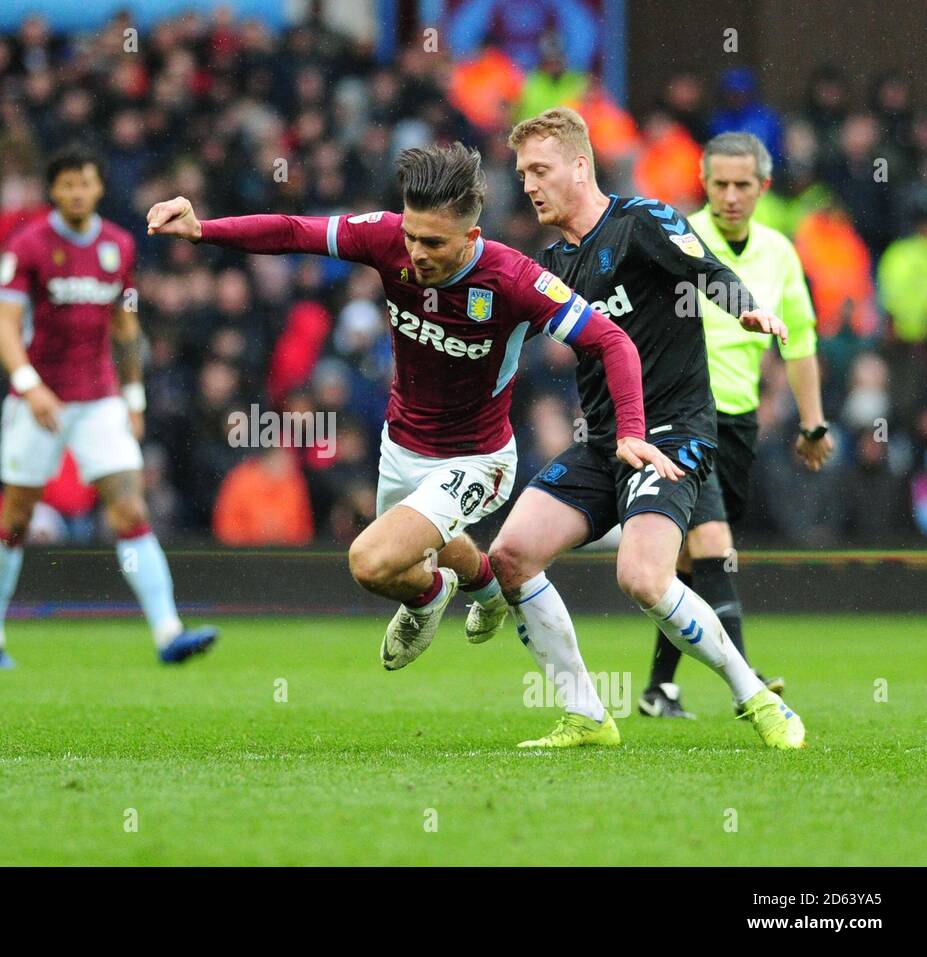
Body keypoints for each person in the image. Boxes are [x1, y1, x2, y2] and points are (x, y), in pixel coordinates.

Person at [147, 141, 662, 670]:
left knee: (371, 563)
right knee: (421, 550)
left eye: (433, 242)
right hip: (401, 446)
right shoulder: (386, 237)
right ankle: (481, 587)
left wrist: (631, 430)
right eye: (412, 236)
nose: (416, 252)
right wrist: (202, 228)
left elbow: (612, 341)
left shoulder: (513, 278)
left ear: (472, 237)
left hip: (475, 458)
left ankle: (429, 597)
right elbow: (293, 231)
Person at [467, 107, 806, 749]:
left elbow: (705, 270)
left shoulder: (642, 222)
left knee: (643, 578)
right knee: (509, 557)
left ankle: (756, 699)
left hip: (673, 431)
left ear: (580, 166)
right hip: (603, 439)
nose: (529, 184)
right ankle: (588, 716)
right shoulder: (556, 260)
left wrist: (749, 311)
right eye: (522, 173)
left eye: (540, 169)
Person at [0, 144, 217, 667]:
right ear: (54, 191)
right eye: (67, 185)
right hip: (37, 399)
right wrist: (29, 384)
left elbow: (126, 325)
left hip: (100, 397)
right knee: (15, 516)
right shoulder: (27, 246)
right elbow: (3, 326)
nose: (77, 192)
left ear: (99, 188)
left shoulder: (119, 247)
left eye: (85, 183)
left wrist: (133, 396)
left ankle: (168, 632)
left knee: (130, 508)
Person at [640, 132, 832, 719]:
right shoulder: (677, 240)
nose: (728, 195)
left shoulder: (778, 252)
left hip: (740, 422)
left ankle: (657, 690)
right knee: (715, 547)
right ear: (705, 183)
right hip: (679, 418)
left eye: (741, 185)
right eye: (718, 184)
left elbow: (799, 339)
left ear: (762, 188)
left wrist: (813, 421)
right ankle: (747, 685)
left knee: (693, 561)